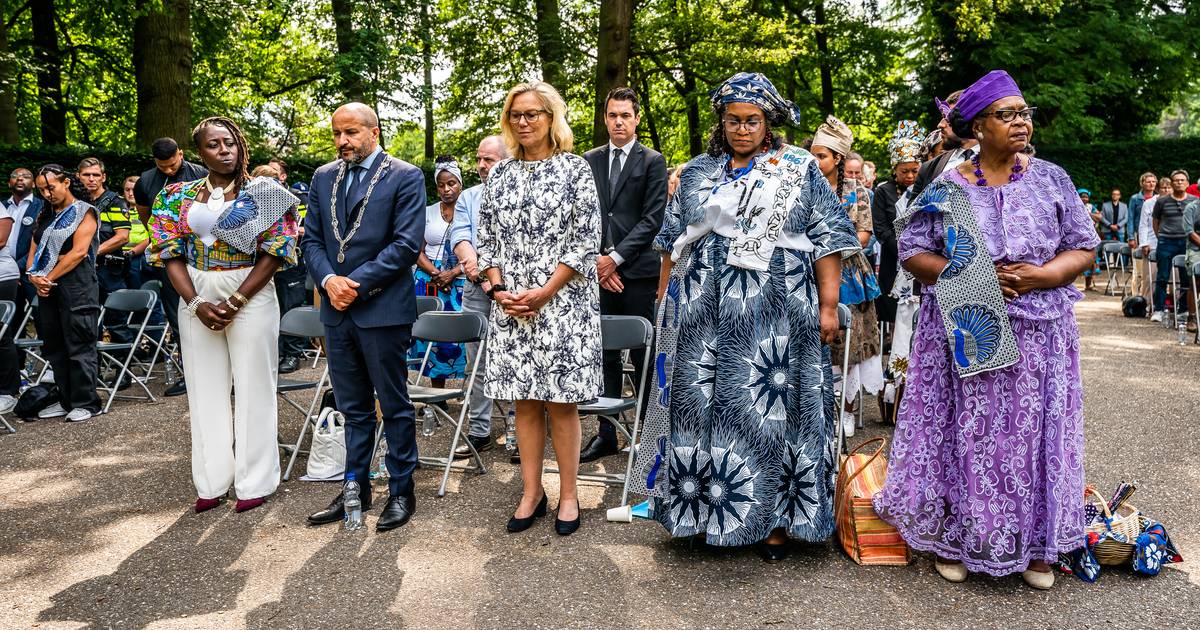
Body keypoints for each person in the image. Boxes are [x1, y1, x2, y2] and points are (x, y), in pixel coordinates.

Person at [874, 70, 1099, 590]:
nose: (1020, 122)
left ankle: (1038, 548)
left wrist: (1046, 274)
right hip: (969, 329)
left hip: (1041, 333)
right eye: (1007, 115)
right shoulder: (948, 187)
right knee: (972, 435)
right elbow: (912, 252)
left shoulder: (1050, 178)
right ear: (978, 126)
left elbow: (1083, 245)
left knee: (1035, 437)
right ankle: (961, 540)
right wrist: (969, 275)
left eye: (1024, 113)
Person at [635, 72, 858, 561]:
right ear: (721, 121)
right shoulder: (695, 171)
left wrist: (827, 305)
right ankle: (699, 513)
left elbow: (828, 239)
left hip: (776, 306)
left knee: (767, 409)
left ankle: (774, 522)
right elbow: (673, 239)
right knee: (700, 404)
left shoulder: (797, 167)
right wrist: (665, 296)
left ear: (768, 121)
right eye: (733, 120)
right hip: (702, 309)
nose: (742, 129)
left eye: (752, 120)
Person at [149, 117, 298, 513]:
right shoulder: (176, 195)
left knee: (254, 387)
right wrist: (195, 302)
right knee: (204, 389)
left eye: (230, 142)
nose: (225, 150)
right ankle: (212, 479)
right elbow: (168, 251)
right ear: (199, 152)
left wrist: (236, 301)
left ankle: (254, 481)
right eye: (214, 145)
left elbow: (276, 250)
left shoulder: (263, 192)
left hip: (250, 289)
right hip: (194, 292)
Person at [476, 81, 601, 536]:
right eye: (516, 115)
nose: (524, 122)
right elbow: (485, 237)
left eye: (532, 114)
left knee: (561, 403)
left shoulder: (575, 170)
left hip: (563, 303)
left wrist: (546, 291)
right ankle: (532, 491)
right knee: (524, 403)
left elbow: (585, 239)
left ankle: (569, 495)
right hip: (511, 306)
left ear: (552, 117)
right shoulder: (501, 174)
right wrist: (499, 290)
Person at [303, 103, 424, 533]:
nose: (342, 142)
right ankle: (354, 486)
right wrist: (329, 281)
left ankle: (401, 490)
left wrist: (351, 284)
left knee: (393, 405)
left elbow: (406, 245)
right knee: (352, 407)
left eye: (351, 132)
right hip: (336, 312)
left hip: (382, 310)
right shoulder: (322, 178)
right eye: (336, 133)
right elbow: (312, 241)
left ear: (374, 131)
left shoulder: (405, 176)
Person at [580, 86, 666, 463]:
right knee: (605, 353)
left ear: (636, 119)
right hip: (598, 272)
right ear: (605, 118)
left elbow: (652, 219)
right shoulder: (588, 160)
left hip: (638, 272)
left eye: (625, 116)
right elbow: (584, 216)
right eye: (612, 115)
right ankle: (607, 431)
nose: (618, 121)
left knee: (642, 352)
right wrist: (600, 262)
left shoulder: (652, 162)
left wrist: (615, 258)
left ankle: (646, 434)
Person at [807, 116, 883, 440]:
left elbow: (863, 237)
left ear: (837, 158)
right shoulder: (803, 187)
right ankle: (816, 407)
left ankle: (848, 410)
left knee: (849, 349)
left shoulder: (858, 193)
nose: (814, 161)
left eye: (821, 155)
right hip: (809, 270)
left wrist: (828, 242)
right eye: (812, 154)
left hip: (850, 274)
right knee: (814, 343)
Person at [27, 165, 102, 422]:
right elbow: (34, 252)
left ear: (66, 182)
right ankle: (66, 399)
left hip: (77, 287)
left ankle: (86, 402)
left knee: (79, 343)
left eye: (51, 187)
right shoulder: (44, 214)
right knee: (54, 345)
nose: (47, 193)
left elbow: (79, 252)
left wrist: (47, 277)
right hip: (47, 288)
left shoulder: (84, 211)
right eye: (41, 190)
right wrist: (34, 277)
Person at [133, 137, 208, 397]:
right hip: (168, 255)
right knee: (179, 314)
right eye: (161, 166)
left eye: (172, 163)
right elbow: (146, 216)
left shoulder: (202, 172)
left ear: (181, 153)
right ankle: (191, 374)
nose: (168, 170)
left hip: (202, 253)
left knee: (208, 306)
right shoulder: (145, 182)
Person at [450, 135, 509, 461]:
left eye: (489, 159)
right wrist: (472, 264)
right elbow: (460, 234)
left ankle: (515, 427)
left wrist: (494, 278)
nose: (482, 166)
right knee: (477, 363)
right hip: (474, 288)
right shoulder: (468, 197)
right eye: (479, 159)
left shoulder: (519, 191)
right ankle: (479, 430)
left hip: (512, 288)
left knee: (515, 360)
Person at [409, 156, 467, 385]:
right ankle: (436, 392)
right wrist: (436, 273)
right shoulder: (427, 212)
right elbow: (416, 249)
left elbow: (481, 251)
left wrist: (452, 273)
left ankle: (468, 389)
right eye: (441, 185)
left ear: (460, 183)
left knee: (458, 335)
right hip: (429, 279)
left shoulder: (470, 210)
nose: (446, 189)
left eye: (451, 183)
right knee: (432, 334)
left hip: (461, 280)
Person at [871, 120, 925, 325]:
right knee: (897, 317)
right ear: (895, 169)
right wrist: (904, 249)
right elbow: (881, 230)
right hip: (893, 261)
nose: (910, 176)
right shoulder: (884, 191)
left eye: (914, 170)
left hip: (923, 258)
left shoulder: (926, 190)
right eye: (905, 171)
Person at [78, 158, 132, 347]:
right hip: (83, 271)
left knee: (116, 321)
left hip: (109, 271)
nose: (91, 179)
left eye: (96, 175)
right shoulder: (76, 203)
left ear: (103, 177)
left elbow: (122, 237)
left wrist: (89, 252)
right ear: (78, 176)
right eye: (86, 175)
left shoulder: (114, 202)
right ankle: (95, 372)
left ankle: (123, 374)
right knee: (89, 323)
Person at [909, 90, 978, 201]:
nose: (940, 124)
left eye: (949, 119)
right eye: (942, 117)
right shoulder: (928, 169)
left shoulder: (1006, 162)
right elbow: (911, 215)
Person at [4, 168, 47, 332]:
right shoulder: (2, 206)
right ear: (9, 183)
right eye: (15, 176)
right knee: (9, 322)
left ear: (34, 184)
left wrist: (17, 267)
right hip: (6, 274)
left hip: (30, 272)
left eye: (26, 176)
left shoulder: (42, 206)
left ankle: (48, 357)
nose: (20, 179)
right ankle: (16, 358)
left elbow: (40, 242)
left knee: (42, 317)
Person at [276, 180, 311, 374]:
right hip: (269, 263)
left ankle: (293, 354)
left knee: (291, 307)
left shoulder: (299, 199)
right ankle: (278, 352)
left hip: (293, 261)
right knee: (276, 310)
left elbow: (314, 226)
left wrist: (295, 230)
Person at [1151, 170, 1194, 322]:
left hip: (1187, 243)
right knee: (1162, 277)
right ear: (1172, 183)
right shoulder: (1162, 201)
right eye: (1176, 180)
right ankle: (1159, 310)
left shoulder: (1194, 201)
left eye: (1182, 180)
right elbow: (1155, 221)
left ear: (1188, 183)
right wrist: (1160, 236)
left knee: (1186, 278)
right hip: (1166, 242)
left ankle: (1183, 310)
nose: (1179, 182)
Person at [0, 180, 21, 412]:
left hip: (2, 275)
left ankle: (8, 391)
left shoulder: (1, 209)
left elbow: (1, 240)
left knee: (1, 334)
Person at [1138, 177, 1171, 307]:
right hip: (1152, 243)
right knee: (1149, 277)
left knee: (1172, 277)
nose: (1166, 190)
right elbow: (1143, 225)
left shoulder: (1176, 202)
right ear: (1159, 189)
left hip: (1170, 245)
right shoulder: (1149, 203)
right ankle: (1146, 303)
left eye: (1169, 188)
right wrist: (1144, 243)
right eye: (1163, 188)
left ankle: (1172, 303)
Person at [1128, 172, 1157, 299]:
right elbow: (1130, 218)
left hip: (1153, 234)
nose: (1151, 184)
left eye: (1153, 181)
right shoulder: (1135, 198)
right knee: (1138, 268)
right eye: (1148, 181)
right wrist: (1131, 237)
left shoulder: (1159, 198)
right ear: (1142, 183)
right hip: (1137, 234)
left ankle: (1151, 295)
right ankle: (1136, 296)